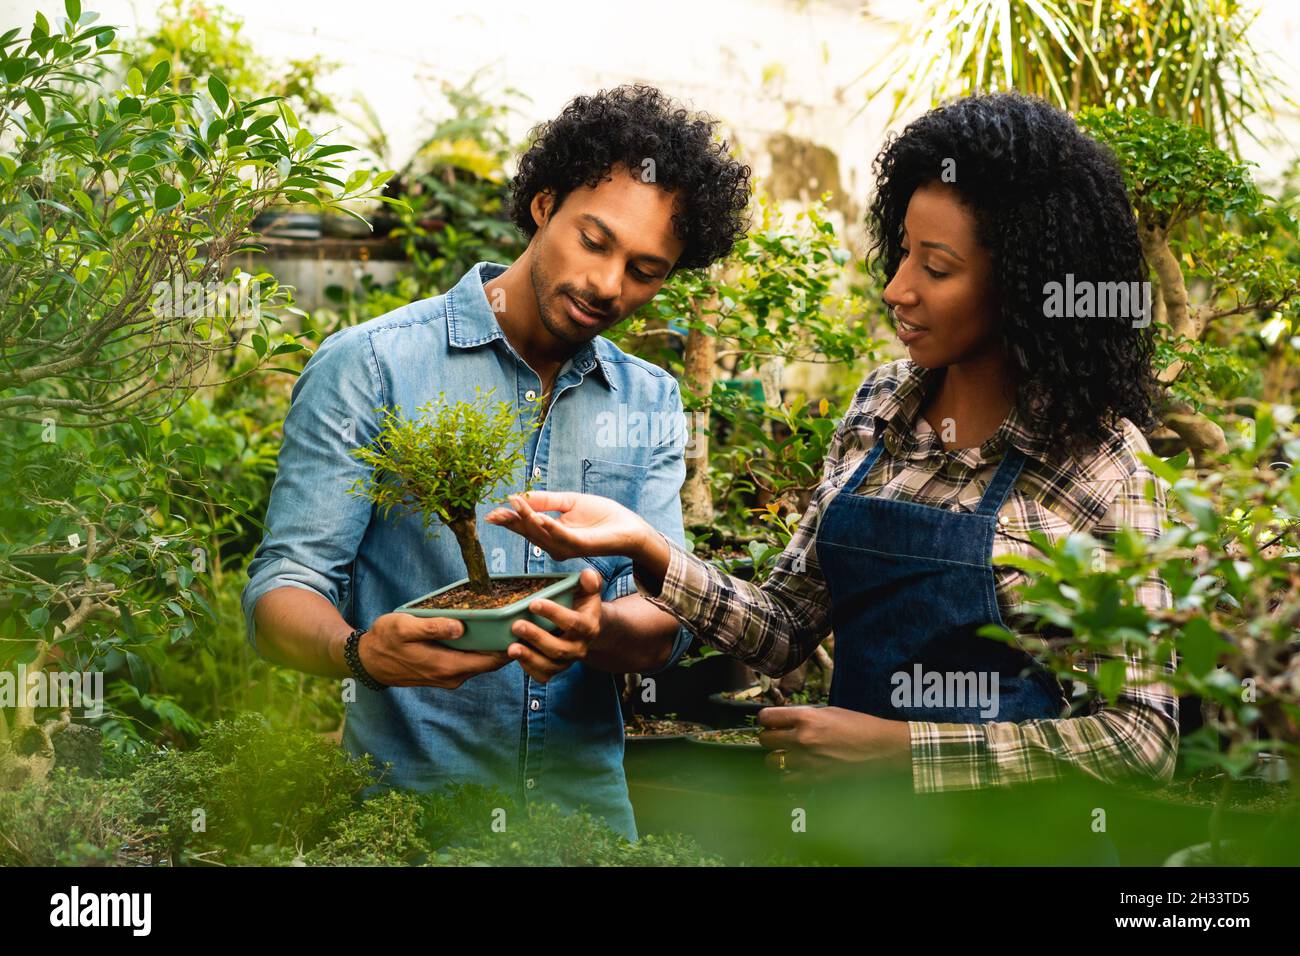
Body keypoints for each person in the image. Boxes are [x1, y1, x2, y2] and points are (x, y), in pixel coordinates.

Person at [487, 92, 1179, 794]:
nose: (896, 288)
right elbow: (786, 625)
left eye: (935, 269)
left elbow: (1141, 736)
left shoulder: (1103, 465)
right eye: (903, 252)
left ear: (1023, 286)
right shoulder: (882, 408)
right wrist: (646, 546)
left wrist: (908, 751)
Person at [241, 85, 751, 840]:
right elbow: (283, 588)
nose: (609, 286)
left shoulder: (648, 399)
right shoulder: (372, 366)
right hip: (405, 826)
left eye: (645, 270)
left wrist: (596, 631)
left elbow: (664, 622)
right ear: (544, 203)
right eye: (594, 240)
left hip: (586, 833)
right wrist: (361, 653)